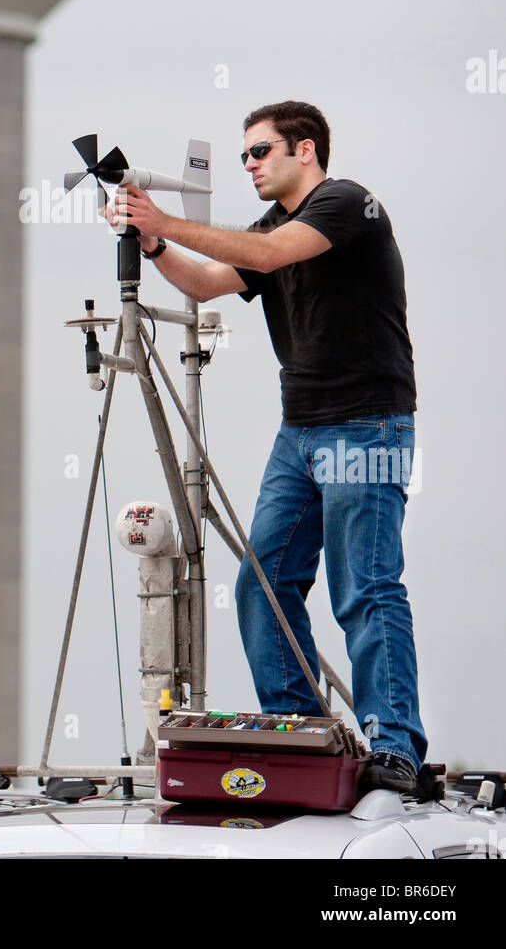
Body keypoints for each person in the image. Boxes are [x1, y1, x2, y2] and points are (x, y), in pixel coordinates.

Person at [101, 100, 427, 794]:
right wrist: (154, 244)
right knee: (263, 586)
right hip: (300, 429)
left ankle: (395, 744)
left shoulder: (345, 204)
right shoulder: (271, 228)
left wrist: (165, 220)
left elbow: (271, 255)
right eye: (245, 154)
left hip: (365, 425)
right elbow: (209, 279)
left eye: (259, 151)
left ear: (303, 150)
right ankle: (304, 735)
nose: (247, 164)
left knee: (364, 587)